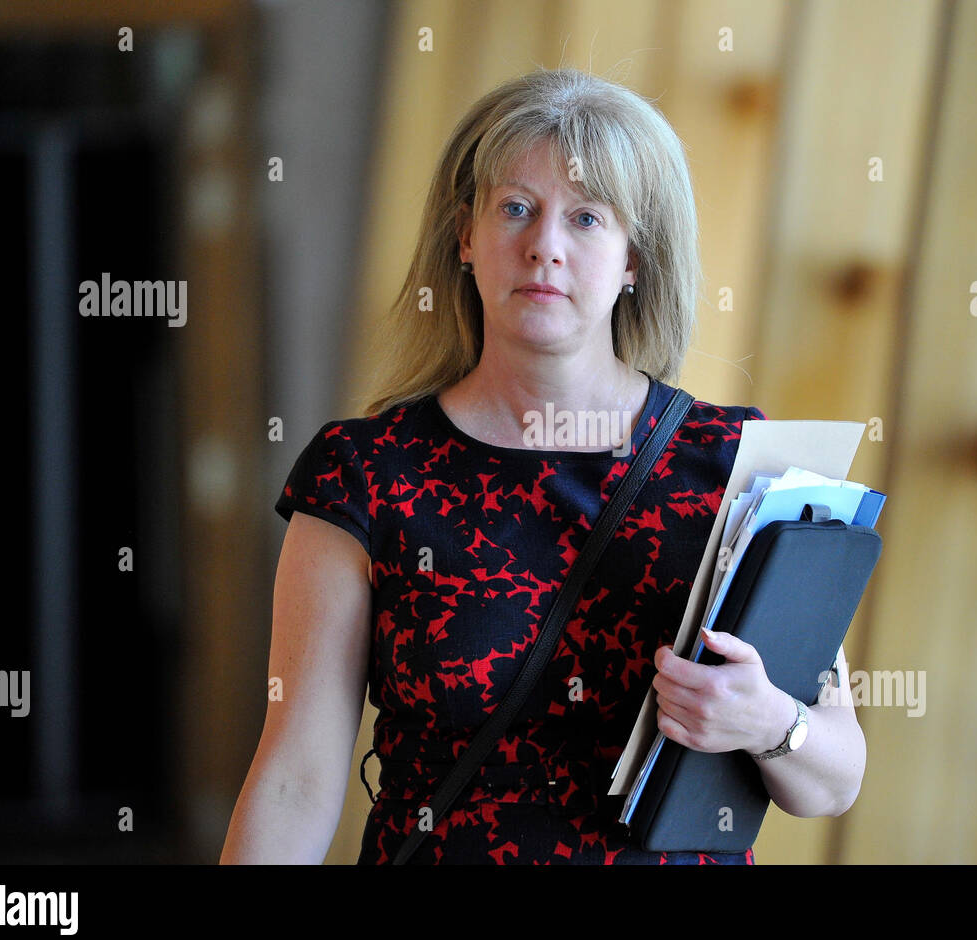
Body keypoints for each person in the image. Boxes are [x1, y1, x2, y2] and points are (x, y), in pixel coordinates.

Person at [221, 67, 865, 865]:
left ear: (634, 259)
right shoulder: (366, 473)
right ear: (466, 236)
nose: (544, 247)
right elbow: (294, 778)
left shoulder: (740, 466)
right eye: (516, 208)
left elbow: (833, 778)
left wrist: (770, 722)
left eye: (587, 218)